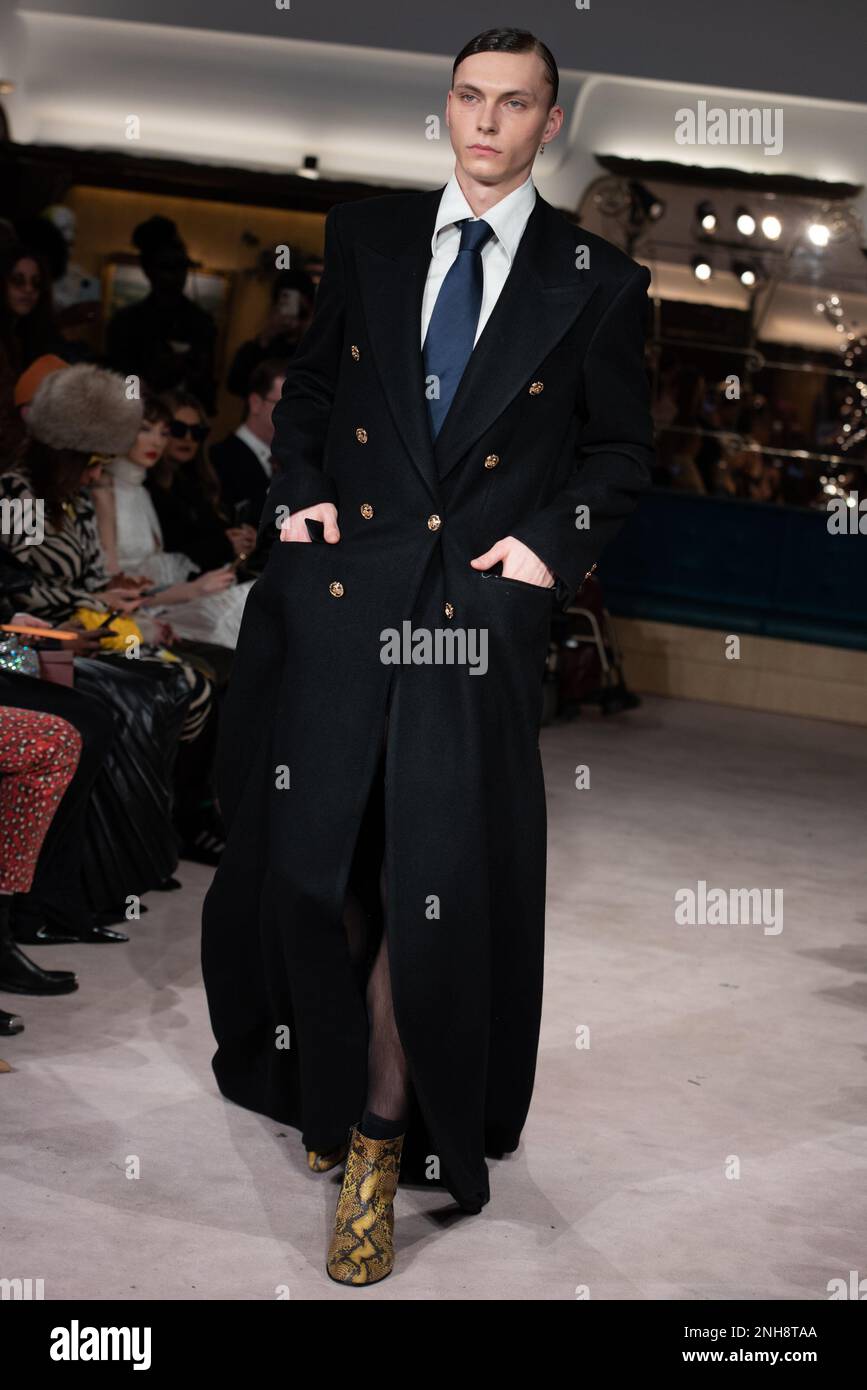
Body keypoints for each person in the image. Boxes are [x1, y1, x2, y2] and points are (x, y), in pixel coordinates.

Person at [201, 27, 654, 1286]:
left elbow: (621, 452)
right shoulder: (370, 236)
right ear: (446, 108)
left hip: (470, 612)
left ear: (551, 123)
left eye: (515, 103)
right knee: (316, 864)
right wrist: (295, 491)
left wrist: (548, 549)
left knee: (432, 879)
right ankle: (329, 1076)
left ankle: (377, 1140)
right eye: (469, 97)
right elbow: (307, 388)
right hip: (345, 590)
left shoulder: (599, 279)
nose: (488, 121)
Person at [92, 393, 253, 650]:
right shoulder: (104, 490)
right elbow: (110, 589)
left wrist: (196, 588)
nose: (156, 441)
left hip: (151, 606)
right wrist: (193, 589)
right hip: (122, 615)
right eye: (145, 430)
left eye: (164, 433)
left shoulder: (143, 490)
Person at [105, 216, 218, 415]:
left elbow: (207, 393)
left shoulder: (201, 323)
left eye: (181, 267)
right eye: (168, 268)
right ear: (149, 270)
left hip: (185, 420)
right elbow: (121, 379)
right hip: (139, 418)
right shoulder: (126, 322)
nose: (176, 276)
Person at [148, 390, 258, 574]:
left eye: (197, 432)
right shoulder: (144, 486)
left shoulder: (195, 484)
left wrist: (242, 538)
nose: (188, 438)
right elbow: (169, 554)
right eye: (178, 429)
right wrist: (225, 545)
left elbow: (214, 534)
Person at [209, 359, 287, 527]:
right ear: (255, 403)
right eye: (284, 404)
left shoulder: (293, 461)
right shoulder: (218, 459)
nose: (293, 414)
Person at [226, 270, 314, 397]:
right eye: (285, 305)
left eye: (300, 308)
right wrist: (266, 338)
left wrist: (310, 333)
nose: (291, 313)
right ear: (275, 306)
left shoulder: (312, 350)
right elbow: (235, 384)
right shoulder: (257, 348)